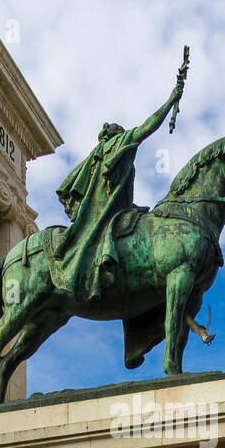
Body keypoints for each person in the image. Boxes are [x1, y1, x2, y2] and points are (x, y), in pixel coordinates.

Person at [46, 72, 185, 303]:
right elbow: (148, 126)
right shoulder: (120, 144)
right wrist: (171, 100)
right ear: (117, 135)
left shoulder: (96, 155)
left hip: (100, 214)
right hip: (111, 213)